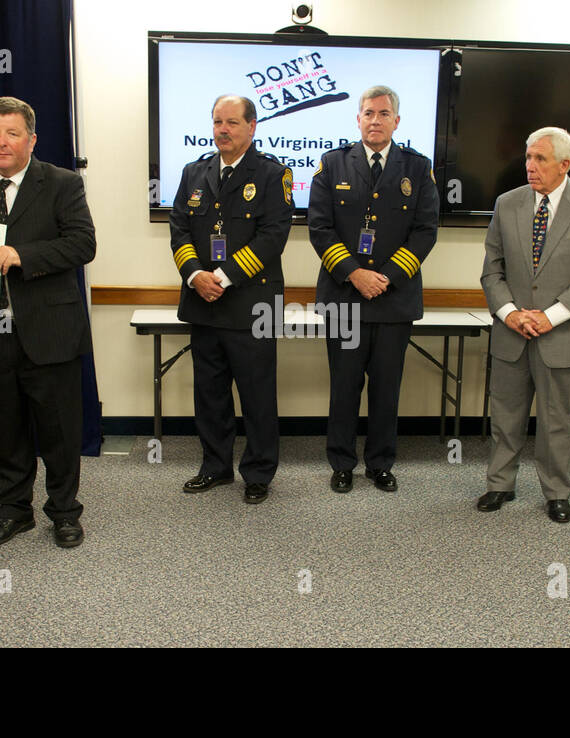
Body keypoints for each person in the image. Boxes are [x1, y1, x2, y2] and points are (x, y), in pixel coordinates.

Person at [0, 96, 96, 548]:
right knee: (2, 429)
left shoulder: (63, 183)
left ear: (32, 139)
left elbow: (82, 245)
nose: (2, 142)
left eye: (12, 133)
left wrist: (22, 255)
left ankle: (65, 512)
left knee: (59, 431)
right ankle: (13, 510)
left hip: (48, 332)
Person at [478, 127, 570, 523]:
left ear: (564, 164)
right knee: (505, 415)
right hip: (512, 331)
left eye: (540, 159)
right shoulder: (507, 203)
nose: (530, 166)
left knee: (556, 420)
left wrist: (549, 315)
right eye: (527, 157)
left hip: (564, 333)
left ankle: (556, 492)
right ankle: (499, 484)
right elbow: (492, 270)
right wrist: (511, 313)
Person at [308, 85, 438, 494]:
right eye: (368, 113)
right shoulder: (331, 164)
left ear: (396, 121)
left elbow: (425, 231)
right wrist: (354, 273)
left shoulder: (417, 167)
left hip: (393, 299)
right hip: (345, 297)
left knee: (386, 389)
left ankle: (380, 463)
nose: (375, 120)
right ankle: (342, 463)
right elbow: (320, 227)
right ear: (358, 119)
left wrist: (386, 277)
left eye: (383, 114)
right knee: (344, 387)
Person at [169, 94, 293, 504]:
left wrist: (221, 276)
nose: (223, 130)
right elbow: (180, 231)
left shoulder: (274, 174)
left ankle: (258, 473)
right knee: (210, 393)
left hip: (251, 304)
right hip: (204, 302)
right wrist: (194, 275)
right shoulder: (194, 171)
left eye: (233, 123)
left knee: (257, 394)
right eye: (218, 122)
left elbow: (273, 237)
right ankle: (215, 467)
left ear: (252, 127)